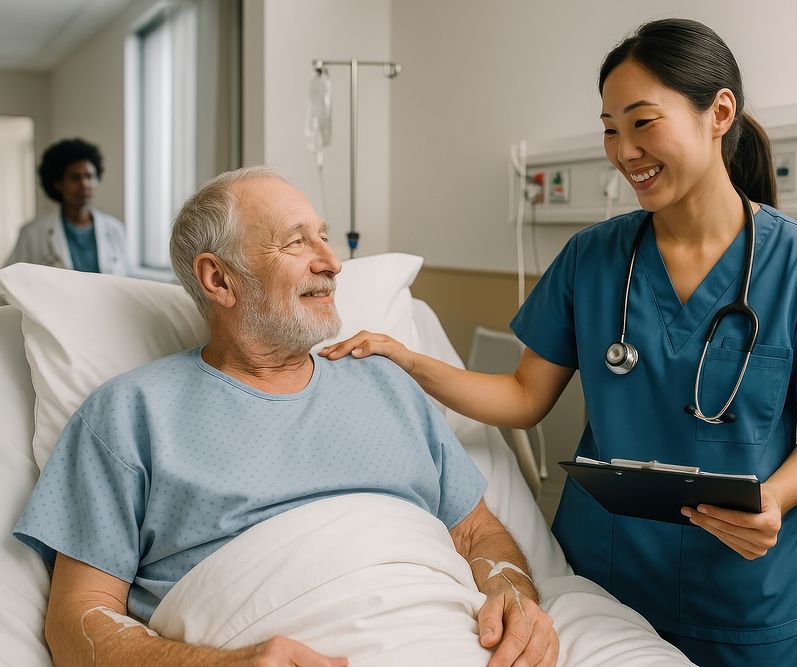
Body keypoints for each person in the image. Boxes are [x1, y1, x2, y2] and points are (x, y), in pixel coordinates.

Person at [323, 18, 797, 666]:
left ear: (719, 112)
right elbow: (522, 395)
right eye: (610, 129)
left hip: (740, 595)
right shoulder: (593, 258)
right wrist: (406, 356)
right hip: (599, 582)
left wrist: (774, 499)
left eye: (643, 122)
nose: (623, 151)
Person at [13, 167, 557, 666]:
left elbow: (477, 532)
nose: (331, 261)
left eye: (323, 235)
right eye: (297, 242)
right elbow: (78, 620)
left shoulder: (387, 383)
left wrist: (514, 597)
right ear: (219, 280)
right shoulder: (128, 415)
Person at [3, 138, 127, 274]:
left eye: (89, 176)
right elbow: (10, 279)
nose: (84, 184)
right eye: (75, 177)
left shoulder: (115, 229)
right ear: (58, 184)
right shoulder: (32, 233)